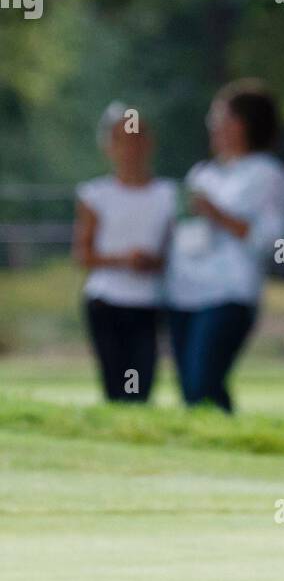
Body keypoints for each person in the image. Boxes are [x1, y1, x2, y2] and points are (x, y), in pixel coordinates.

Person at [165, 80, 284, 412]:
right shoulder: (202, 174)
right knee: (190, 390)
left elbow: (273, 241)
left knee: (203, 384)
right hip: (184, 292)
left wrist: (219, 215)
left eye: (220, 118)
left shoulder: (270, 176)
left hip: (229, 293)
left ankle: (223, 446)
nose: (214, 127)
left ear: (241, 124)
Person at [73, 103, 177, 403]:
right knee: (115, 382)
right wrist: (123, 260)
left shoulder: (168, 195)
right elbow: (83, 254)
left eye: (137, 138)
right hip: (107, 302)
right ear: (110, 147)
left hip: (148, 302)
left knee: (140, 382)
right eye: (122, 140)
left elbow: (176, 253)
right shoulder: (95, 195)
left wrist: (153, 262)